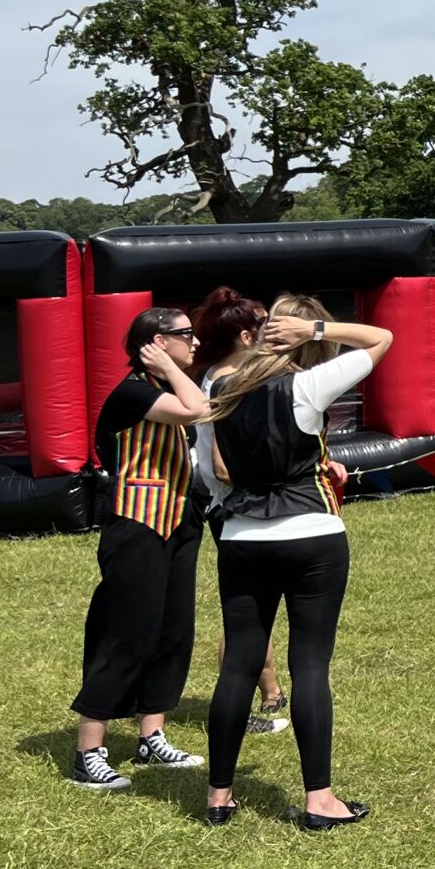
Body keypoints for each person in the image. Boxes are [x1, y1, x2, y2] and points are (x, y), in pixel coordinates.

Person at [200, 295, 391, 829]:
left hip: (242, 534)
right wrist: (318, 330)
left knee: (238, 664)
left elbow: (221, 466)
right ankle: (320, 800)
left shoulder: (221, 385)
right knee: (309, 665)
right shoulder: (309, 384)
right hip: (311, 533)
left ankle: (218, 796)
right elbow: (381, 338)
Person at [69, 307, 212, 790]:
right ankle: (88, 751)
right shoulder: (133, 391)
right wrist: (168, 366)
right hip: (137, 522)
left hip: (179, 521)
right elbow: (198, 410)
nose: (196, 343)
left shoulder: (169, 387)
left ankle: (152, 736)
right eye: (186, 334)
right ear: (157, 342)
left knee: (173, 632)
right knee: (125, 633)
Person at [190, 288, 288, 737]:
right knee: (246, 615)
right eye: (265, 326)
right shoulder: (227, 383)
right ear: (246, 337)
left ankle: (269, 689)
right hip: (234, 507)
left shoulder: (227, 374)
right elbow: (221, 466)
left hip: (236, 506)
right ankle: (239, 706)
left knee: (255, 609)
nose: (274, 332)